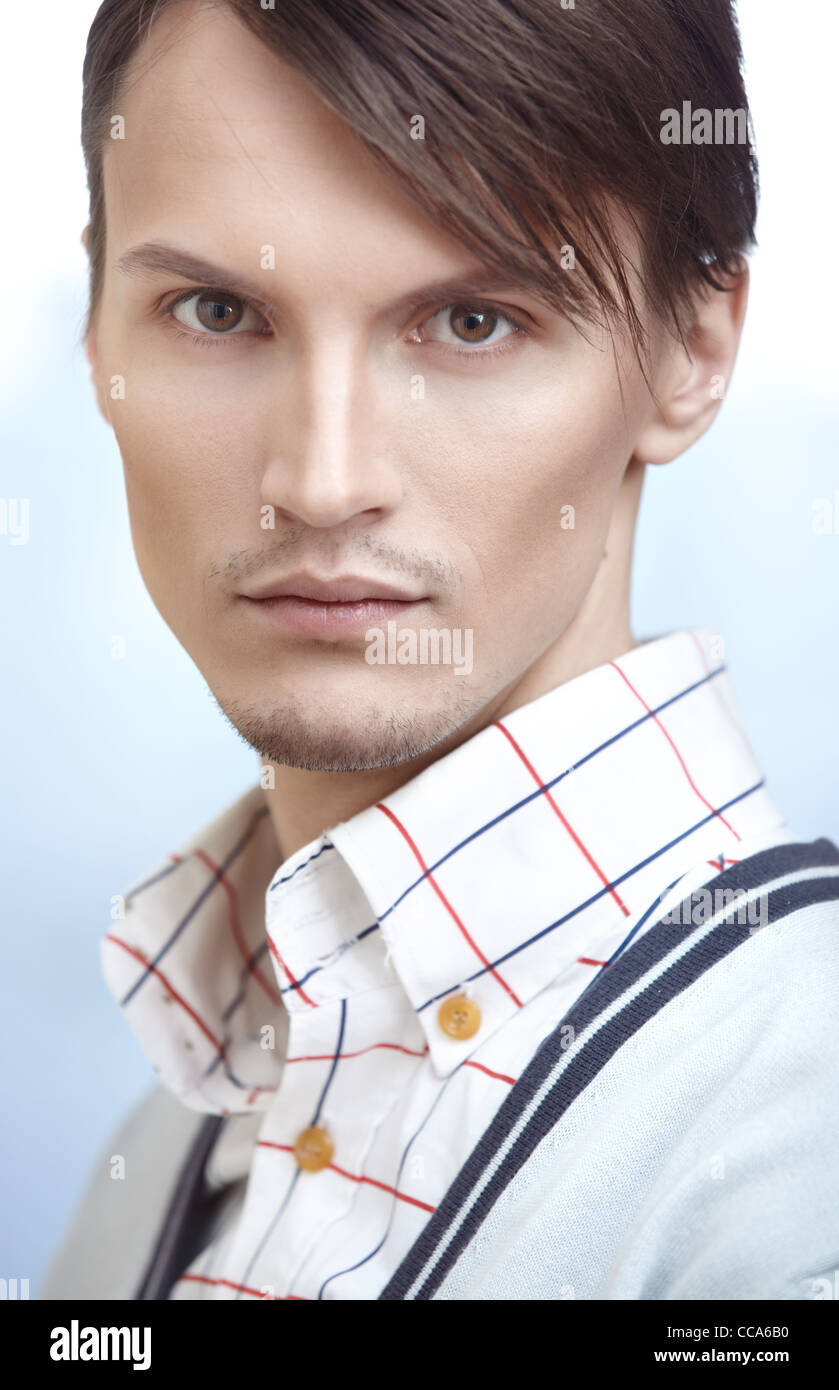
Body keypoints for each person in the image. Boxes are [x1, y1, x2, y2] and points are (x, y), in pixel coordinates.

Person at [42, 0, 839, 1301]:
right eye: (216, 311)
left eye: (471, 322)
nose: (320, 480)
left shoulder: (796, 1171)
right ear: (96, 323)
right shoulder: (170, 1149)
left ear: (694, 347)